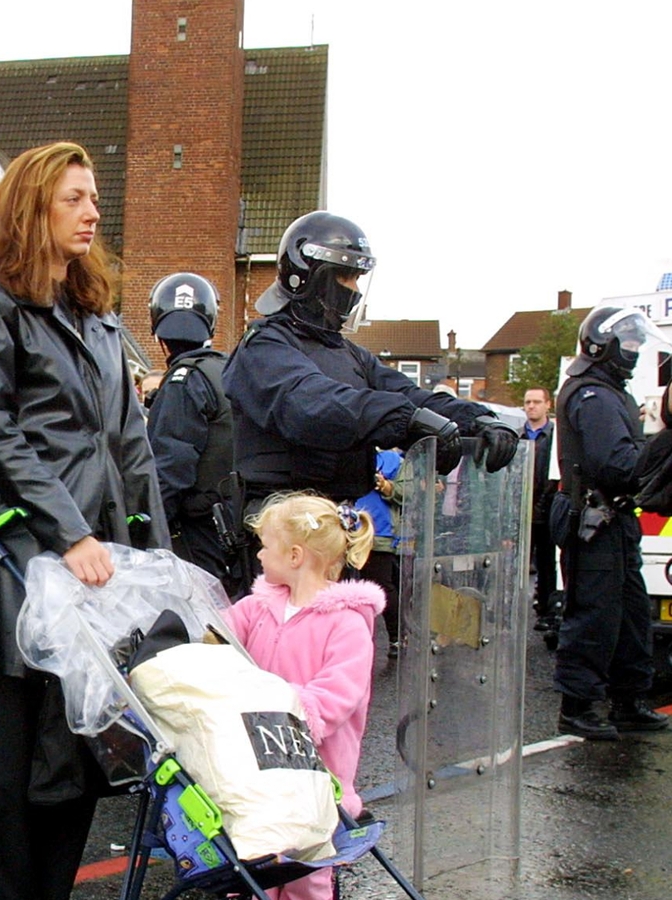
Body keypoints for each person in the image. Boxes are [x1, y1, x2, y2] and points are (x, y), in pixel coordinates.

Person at [0, 141, 168, 900]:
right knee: (9, 775)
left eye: (94, 198)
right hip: (21, 564)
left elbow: (132, 448)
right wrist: (68, 531)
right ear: (31, 207)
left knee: (79, 761)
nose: (93, 212)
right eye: (74, 197)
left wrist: (157, 564)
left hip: (99, 566)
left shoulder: (100, 319)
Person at [222, 212, 520, 553]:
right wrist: (405, 420)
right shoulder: (265, 345)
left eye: (358, 278)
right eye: (345, 277)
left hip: (340, 525)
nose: (354, 290)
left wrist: (476, 420)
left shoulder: (349, 354)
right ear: (308, 276)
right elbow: (311, 404)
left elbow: (407, 393)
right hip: (282, 534)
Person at [224, 493, 383, 900]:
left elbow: (336, 696)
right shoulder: (257, 607)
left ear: (294, 555)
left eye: (265, 545)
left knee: (305, 877)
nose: (258, 555)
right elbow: (215, 634)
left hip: (319, 782)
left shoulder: (347, 623)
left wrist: (275, 714)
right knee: (252, 868)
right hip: (258, 774)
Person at [553, 307, 669, 740]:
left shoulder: (611, 391)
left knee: (632, 614)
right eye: (630, 344)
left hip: (613, 519)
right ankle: (578, 705)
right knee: (595, 616)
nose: (636, 352)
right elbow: (617, 464)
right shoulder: (593, 396)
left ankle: (628, 700)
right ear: (604, 346)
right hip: (593, 518)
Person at [145, 272, 241, 595]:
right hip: (232, 524)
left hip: (196, 533)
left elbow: (170, 471)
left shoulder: (184, 381)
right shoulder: (228, 372)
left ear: (160, 336)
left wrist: (145, 530)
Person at [354, 448, 405, 656]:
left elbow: (411, 492)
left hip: (379, 534)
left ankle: (398, 637)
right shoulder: (350, 454)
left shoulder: (394, 459)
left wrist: (387, 486)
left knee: (382, 587)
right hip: (344, 531)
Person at [522, 387, 562, 633]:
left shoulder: (555, 436)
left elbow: (553, 477)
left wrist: (541, 507)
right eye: (527, 402)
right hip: (521, 513)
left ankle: (547, 612)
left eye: (537, 402)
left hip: (546, 513)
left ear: (548, 404)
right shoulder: (518, 436)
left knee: (547, 566)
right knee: (517, 566)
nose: (531, 406)